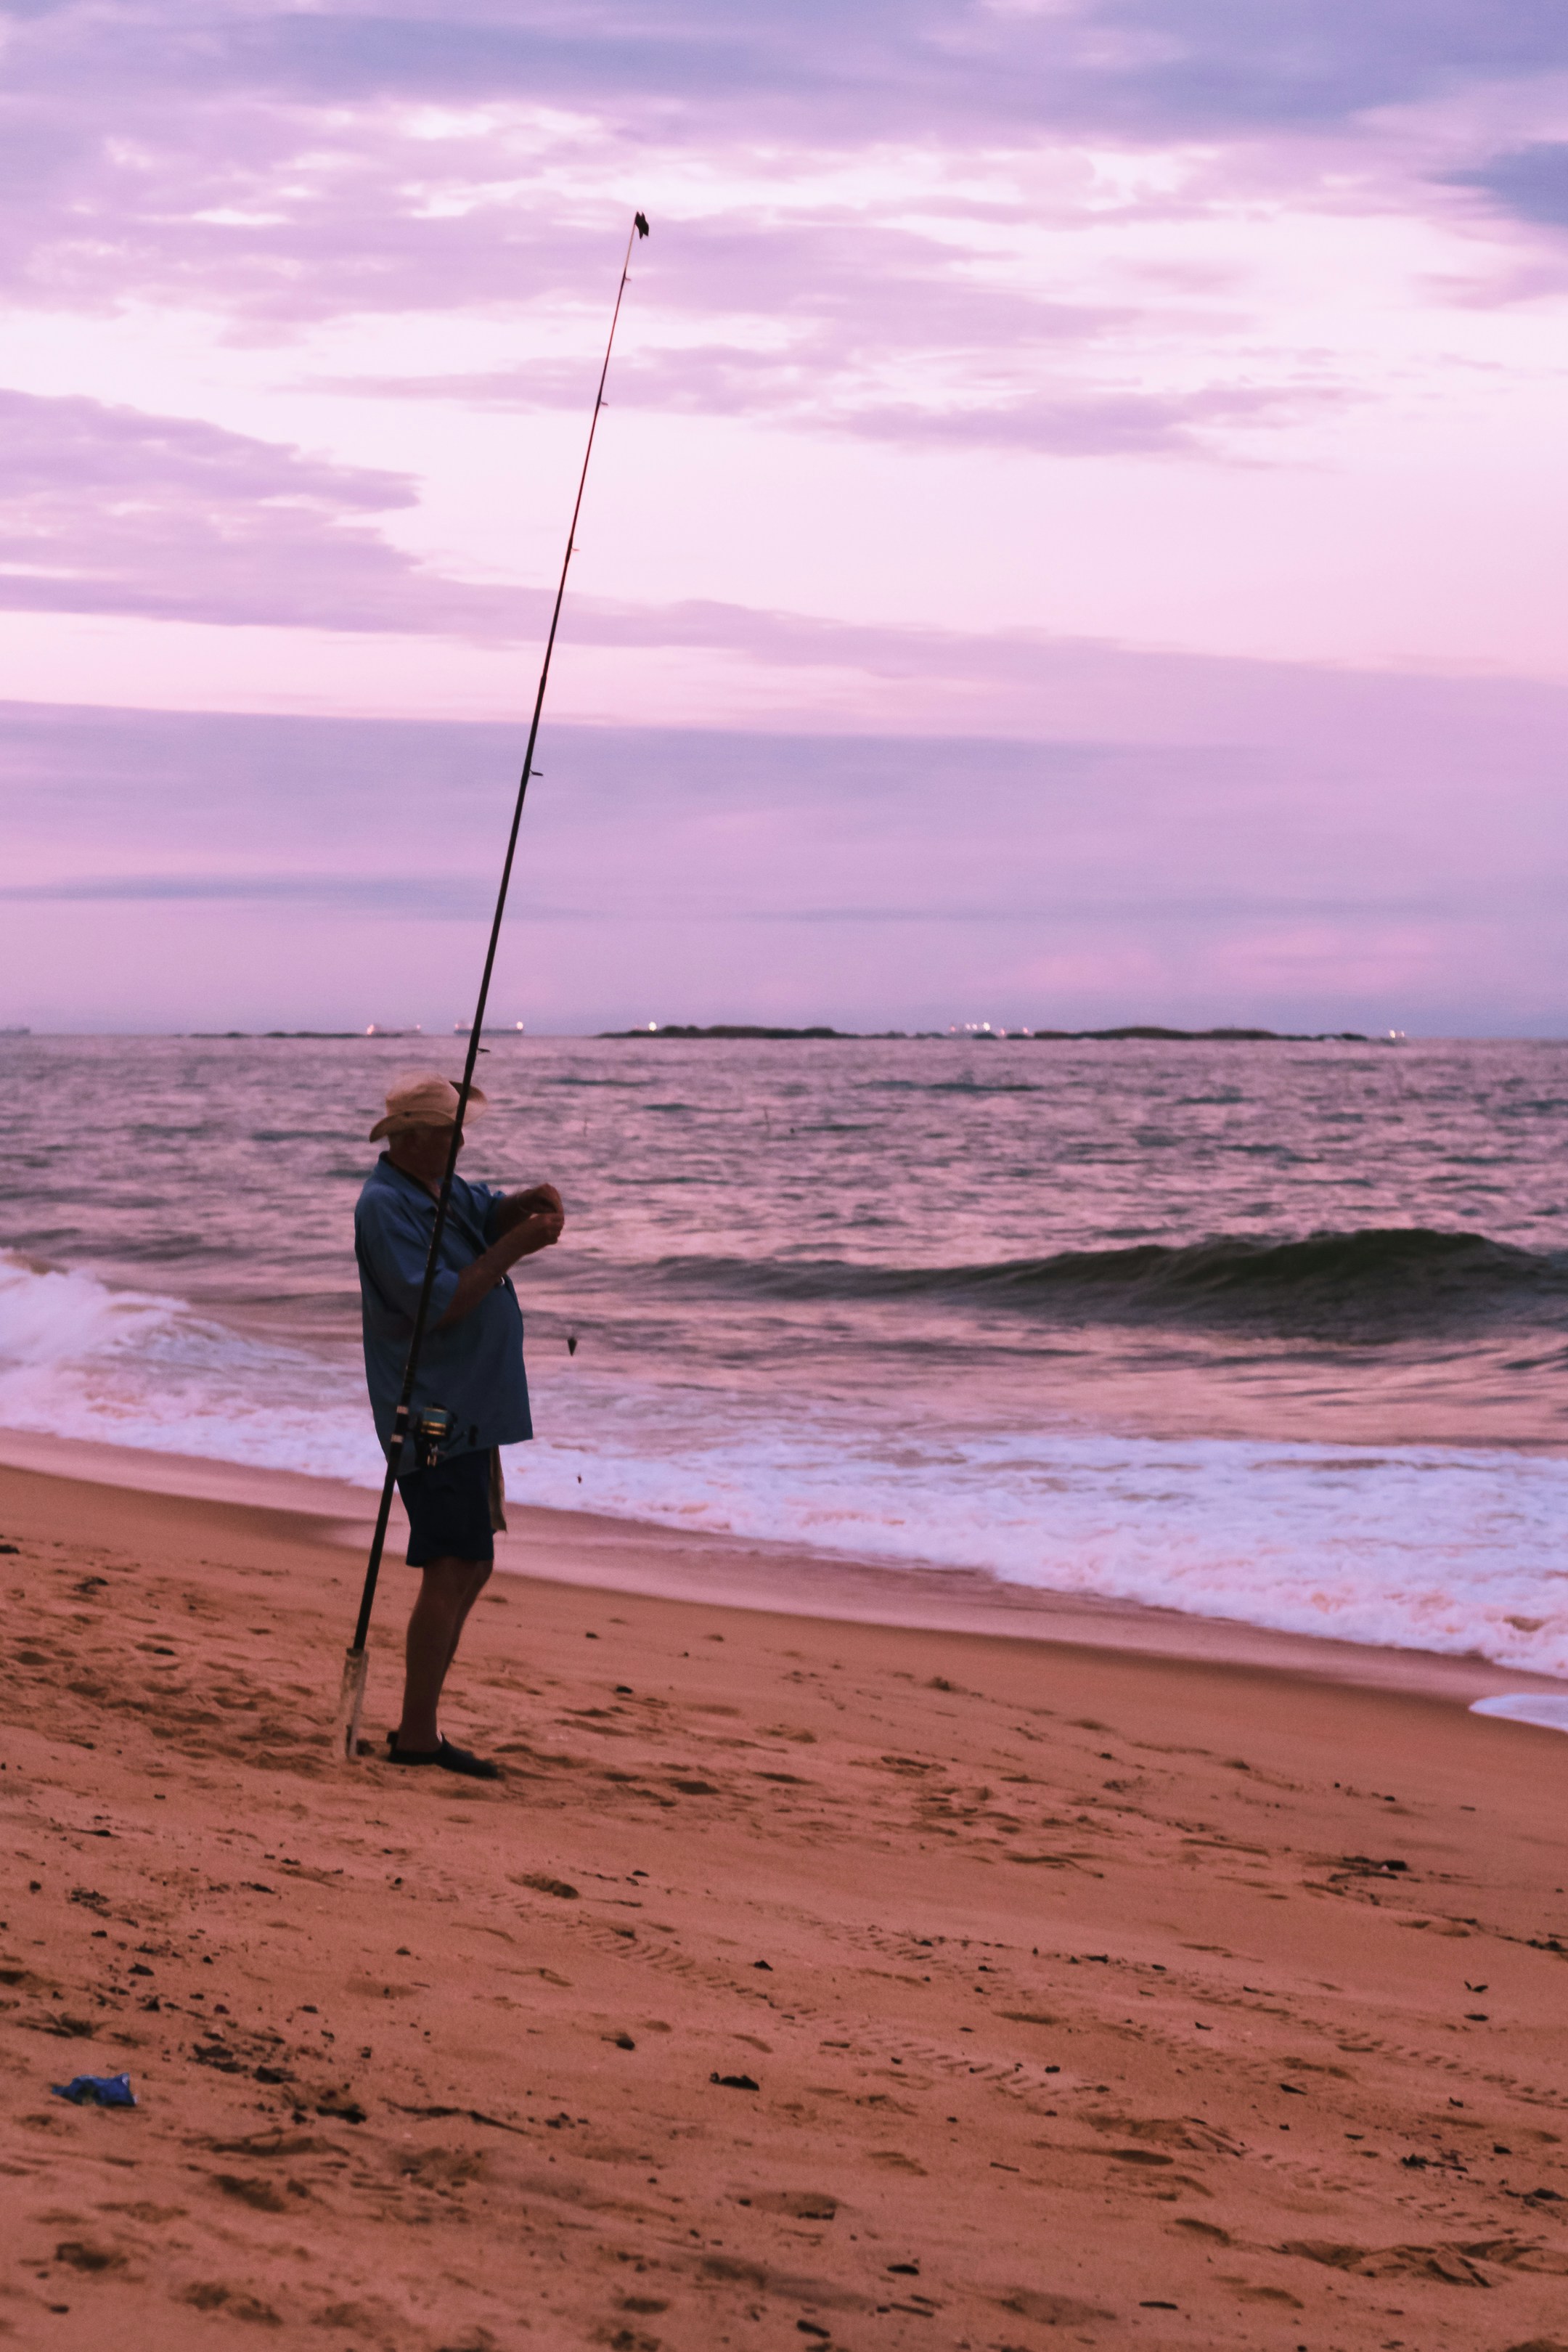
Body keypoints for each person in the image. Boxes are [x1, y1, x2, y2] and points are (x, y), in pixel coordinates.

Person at [354, 1071, 563, 1778]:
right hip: (433, 1411)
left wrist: (523, 1206)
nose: (460, 1141)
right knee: (452, 1560)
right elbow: (436, 1305)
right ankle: (417, 1738)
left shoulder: (438, 1188)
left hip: (471, 1405)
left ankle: (421, 1725)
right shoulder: (385, 1207)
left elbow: (487, 1211)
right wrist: (515, 1250)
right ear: (412, 1138)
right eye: (448, 1131)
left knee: (472, 1559)